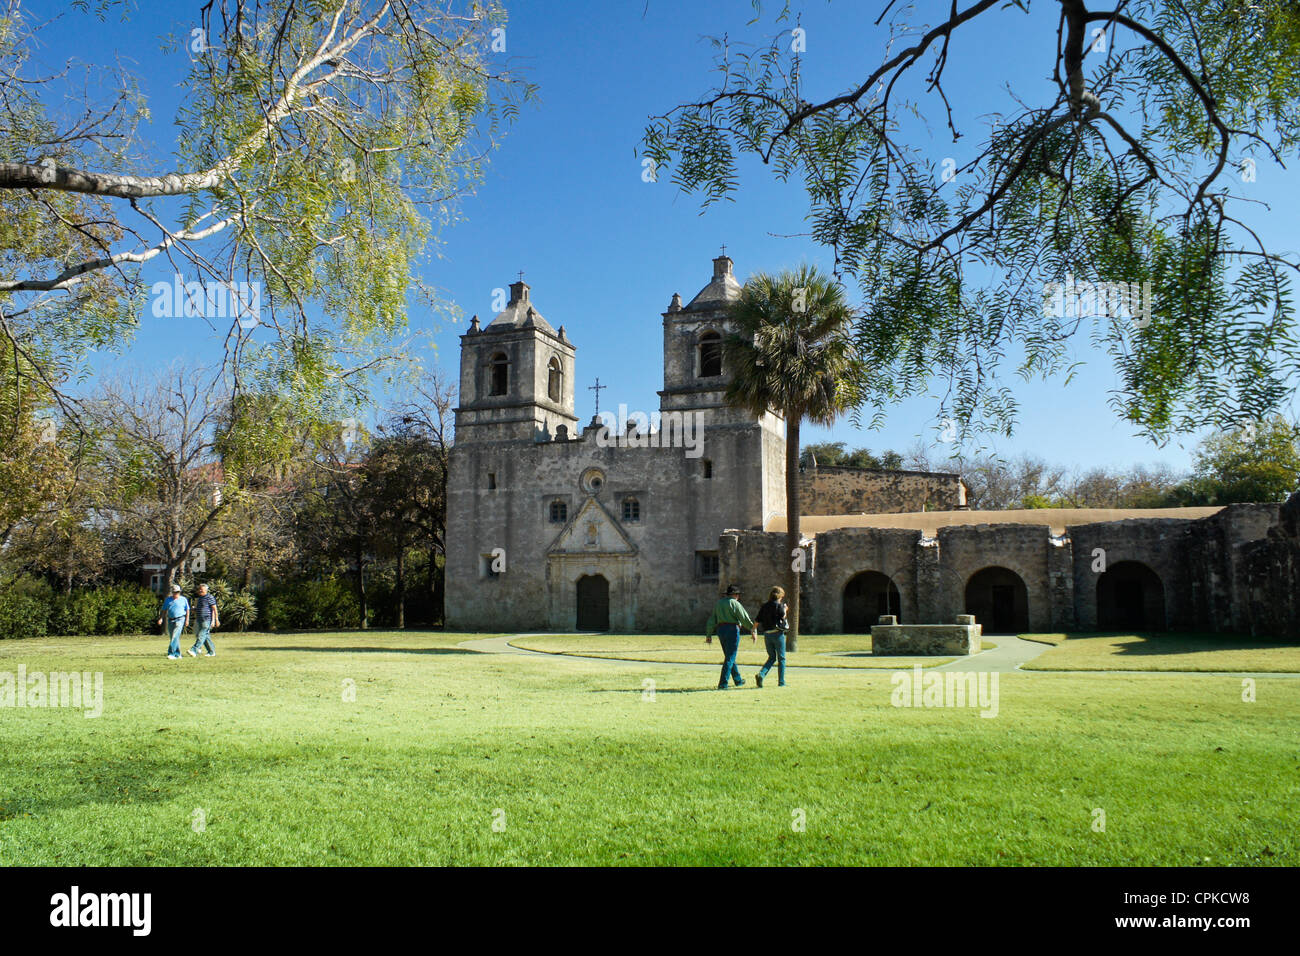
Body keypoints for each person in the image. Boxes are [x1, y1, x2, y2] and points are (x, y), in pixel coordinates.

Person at [705, 583, 757, 690]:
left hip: (720, 630)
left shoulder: (719, 604)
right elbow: (744, 618)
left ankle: (738, 680)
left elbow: (712, 620)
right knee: (730, 657)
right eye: (737, 594)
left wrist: (709, 634)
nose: (738, 596)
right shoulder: (735, 604)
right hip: (732, 630)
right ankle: (723, 684)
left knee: (729, 656)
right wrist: (753, 630)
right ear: (735, 595)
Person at [754, 586, 789, 687]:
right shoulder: (779, 606)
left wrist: (753, 630)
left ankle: (761, 674)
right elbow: (782, 617)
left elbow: (757, 620)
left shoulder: (764, 606)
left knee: (771, 657)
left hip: (767, 635)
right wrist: (786, 610)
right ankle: (781, 682)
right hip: (778, 634)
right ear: (780, 596)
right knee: (781, 658)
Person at [157, 584, 190, 660]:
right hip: (170, 620)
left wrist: (187, 620)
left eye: (177, 592)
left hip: (180, 619)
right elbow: (164, 610)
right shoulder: (168, 600)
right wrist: (161, 618)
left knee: (175, 636)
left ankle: (171, 653)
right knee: (174, 637)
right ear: (172, 592)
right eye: (174, 592)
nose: (176, 594)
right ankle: (177, 654)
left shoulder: (183, 599)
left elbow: (187, 610)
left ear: (180, 592)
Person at [188, 583, 220, 657]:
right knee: (205, 636)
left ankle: (194, 649)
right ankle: (211, 652)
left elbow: (214, 609)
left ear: (206, 590)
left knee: (201, 635)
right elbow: (200, 609)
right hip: (199, 620)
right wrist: (194, 609)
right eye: (199, 589)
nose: (199, 591)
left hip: (206, 620)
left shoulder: (210, 597)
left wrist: (216, 619)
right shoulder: (200, 599)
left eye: (201, 589)